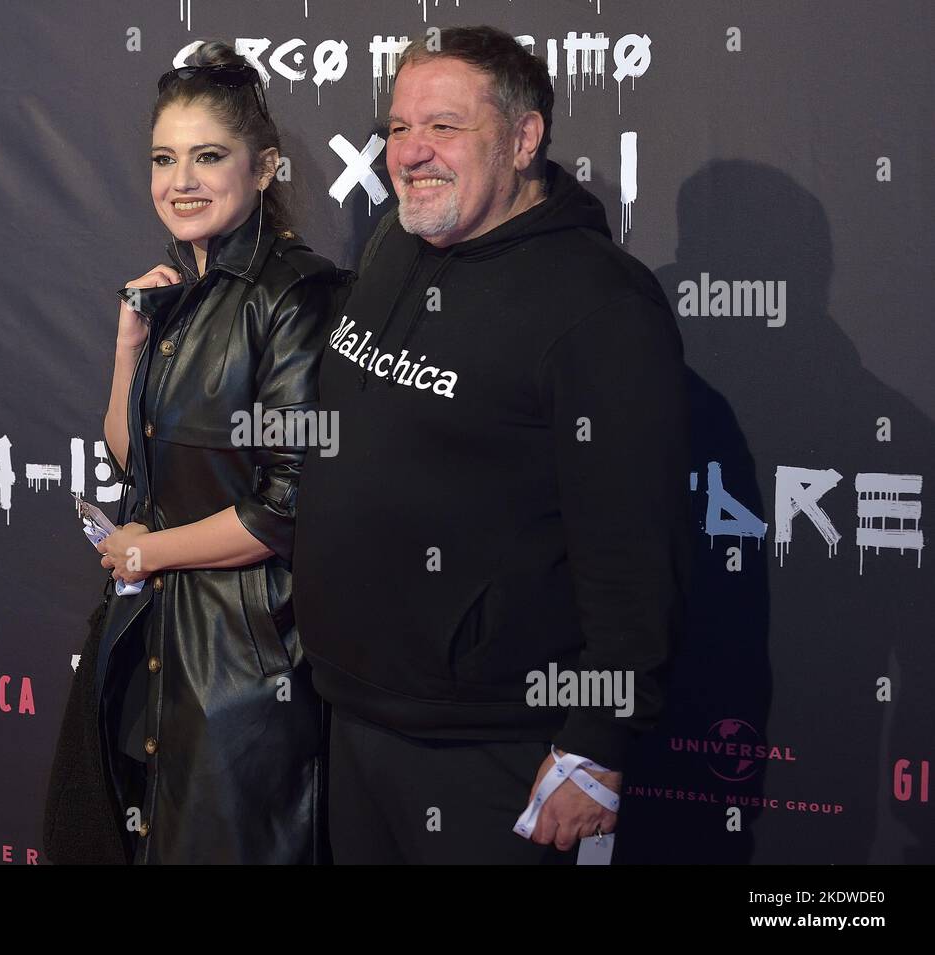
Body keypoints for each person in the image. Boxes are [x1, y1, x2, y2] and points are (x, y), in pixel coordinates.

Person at [292, 25, 692, 864]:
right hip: (354, 713)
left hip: (491, 748)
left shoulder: (600, 306)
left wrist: (599, 742)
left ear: (523, 137)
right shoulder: (399, 240)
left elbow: (631, 547)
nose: (410, 153)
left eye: (444, 127)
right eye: (399, 128)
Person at [43, 41, 350, 864]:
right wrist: (129, 341)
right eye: (164, 158)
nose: (181, 180)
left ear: (264, 167)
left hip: (246, 673)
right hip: (153, 644)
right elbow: (128, 459)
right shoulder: (178, 291)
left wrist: (145, 547)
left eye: (208, 156)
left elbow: (287, 508)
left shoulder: (298, 296)